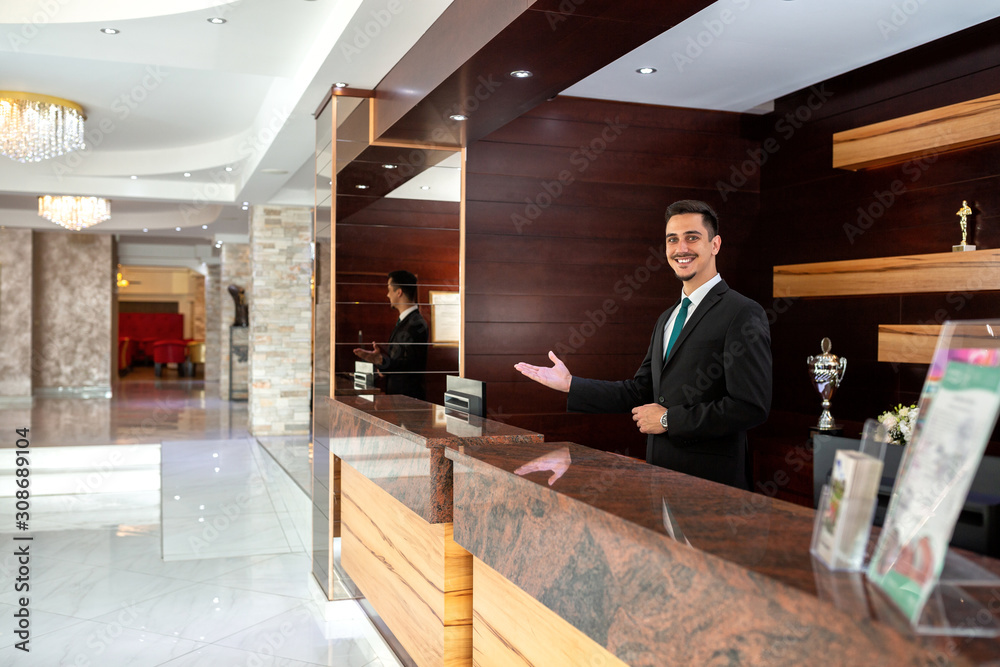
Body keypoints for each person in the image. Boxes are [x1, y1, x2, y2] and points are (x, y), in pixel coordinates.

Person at [515, 200, 771, 489]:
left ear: (715, 245)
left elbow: (750, 406)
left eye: (692, 237)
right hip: (659, 478)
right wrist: (571, 384)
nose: (681, 248)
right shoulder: (667, 318)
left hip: (713, 486)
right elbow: (640, 391)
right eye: (672, 240)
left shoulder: (742, 312)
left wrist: (668, 420)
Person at [354, 270, 429, 400]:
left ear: (399, 292)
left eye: (389, 289)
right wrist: (383, 365)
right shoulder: (406, 321)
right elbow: (400, 360)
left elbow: (410, 365)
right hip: (400, 399)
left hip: (408, 400)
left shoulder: (416, 323)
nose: (387, 295)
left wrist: (381, 362)